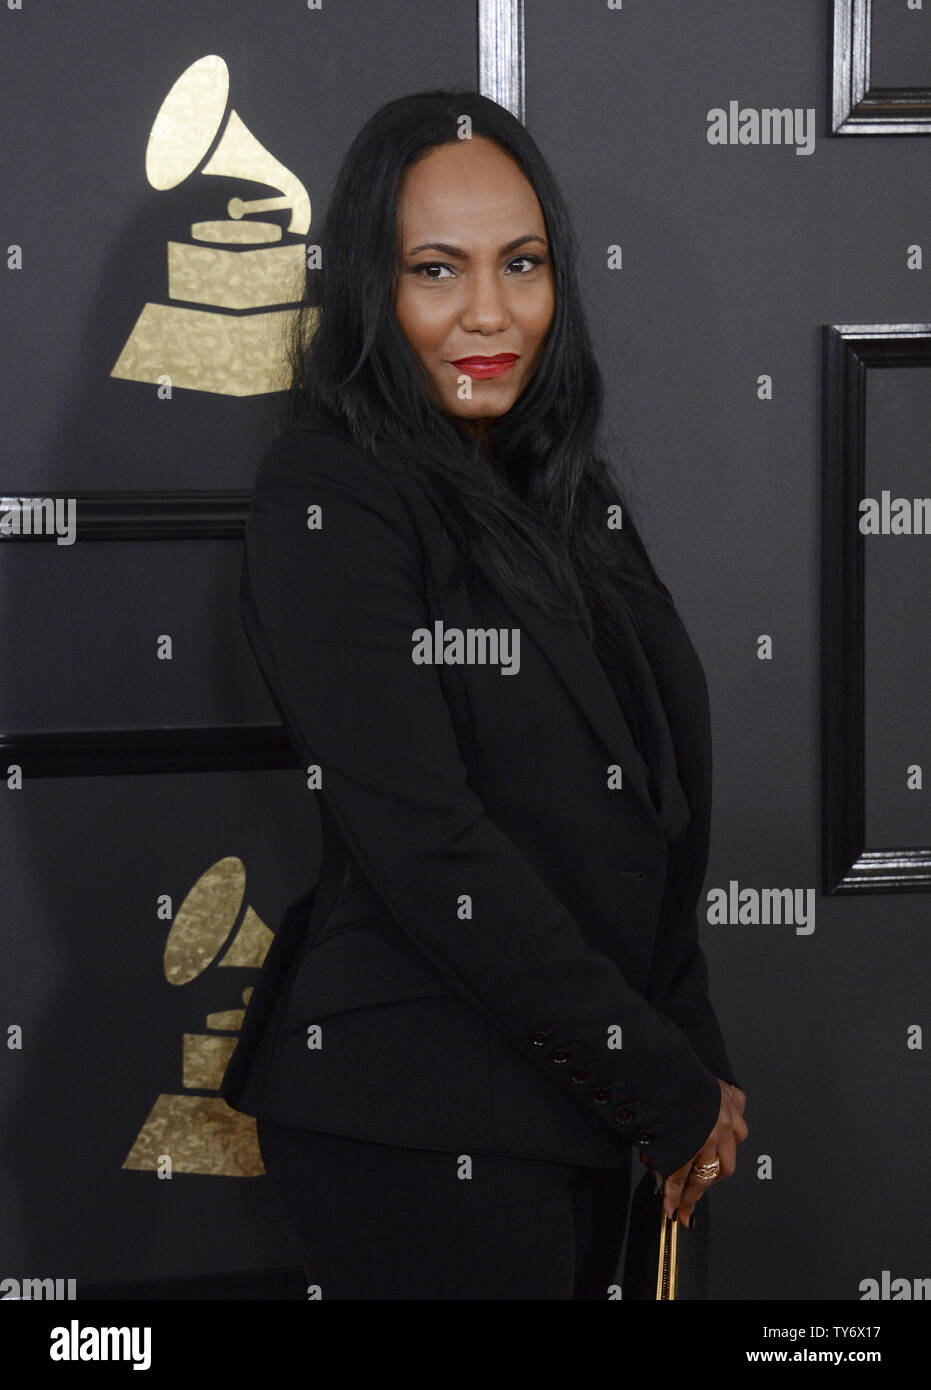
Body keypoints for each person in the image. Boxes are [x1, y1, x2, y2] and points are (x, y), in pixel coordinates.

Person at [220, 88, 748, 1300]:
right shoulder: (330, 493)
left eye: (520, 264)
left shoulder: (564, 488)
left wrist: (691, 1057)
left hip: (603, 1103)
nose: (488, 314)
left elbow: (653, 811)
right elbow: (427, 843)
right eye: (434, 270)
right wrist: (659, 1081)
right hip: (420, 1118)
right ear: (371, 288)